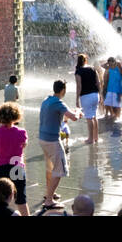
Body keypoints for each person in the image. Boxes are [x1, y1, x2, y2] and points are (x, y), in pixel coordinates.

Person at [37, 79, 81, 211]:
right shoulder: (59, 103)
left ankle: (49, 193)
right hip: (52, 141)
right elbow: (74, 117)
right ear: (63, 90)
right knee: (60, 169)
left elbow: (61, 114)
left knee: (50, 167)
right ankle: (49, 201)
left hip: (42, 138)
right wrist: (78, 112)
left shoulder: (46, 100)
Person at [0, 102, 30, 216]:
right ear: (15, 116)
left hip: (0, 168)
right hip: (16, 167)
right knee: (21, 199)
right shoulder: (21, 132)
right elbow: (24, 144)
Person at [74, 55, 100, 143]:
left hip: (86, 96)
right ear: (85, 61)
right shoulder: (93, 69)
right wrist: (101, 95)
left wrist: (77, 99)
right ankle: (96, 137)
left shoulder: (78, 71)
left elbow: (79, 86)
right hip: (95, 95)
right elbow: (98, 82)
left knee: (89, 117)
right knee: (94, 116)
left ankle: (90, 139)